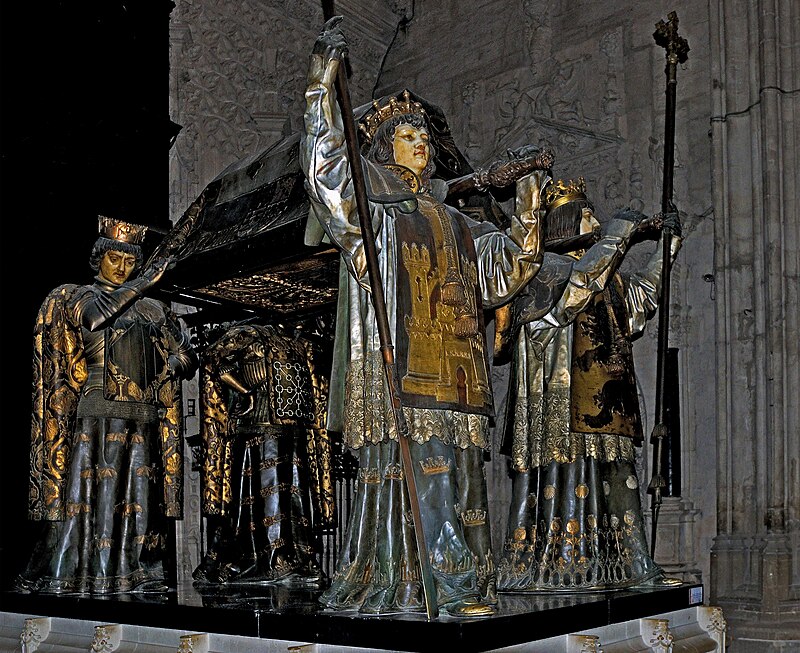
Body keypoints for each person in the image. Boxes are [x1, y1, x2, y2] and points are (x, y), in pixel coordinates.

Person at [299, 17, 546, 617]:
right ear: (386, 148)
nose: (422, 142)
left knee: (461, 484)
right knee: (426, 475)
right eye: (409, 133)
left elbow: (507, 270)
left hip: (457, 372)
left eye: (424, 134)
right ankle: (442, 586)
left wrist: (529, 199)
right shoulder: (376, 209)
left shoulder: (458, 223)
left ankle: (463, 581)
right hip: (407, 371)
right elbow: (327, 169)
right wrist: (321, 83)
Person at [496, 177, 682, 592]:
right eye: (586, 215)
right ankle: (568, 563)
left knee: (618, 482)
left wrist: (667, 246)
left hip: (606, 398)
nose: (595, 221)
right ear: (564, 223)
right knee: (571, 478)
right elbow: (575, 293)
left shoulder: (607, 273)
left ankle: (631, 564)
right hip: (562, 405)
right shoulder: (544, 270)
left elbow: (641, 299)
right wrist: (618, 233)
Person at [16, 216, 197, 595]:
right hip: (97, 410)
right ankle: (80, 572)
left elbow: (185, 352)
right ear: (98, 257)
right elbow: (96, 318)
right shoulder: (76, 295)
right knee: (93, 496)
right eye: (115, 258)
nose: (121, 268)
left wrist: (176, 361)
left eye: (130, 262)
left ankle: (133, 570)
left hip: (144, 412)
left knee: (139, 497)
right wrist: (144, 280)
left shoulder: (153, 308)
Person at [192, 321, 333, 588]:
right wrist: (244, 390)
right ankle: (269, 559)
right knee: (267, 495)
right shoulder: (249, 333)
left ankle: (296, 559)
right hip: (258, 425)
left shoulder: (301, 343)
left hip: (293, 429)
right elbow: (213, 360)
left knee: (294, 496)